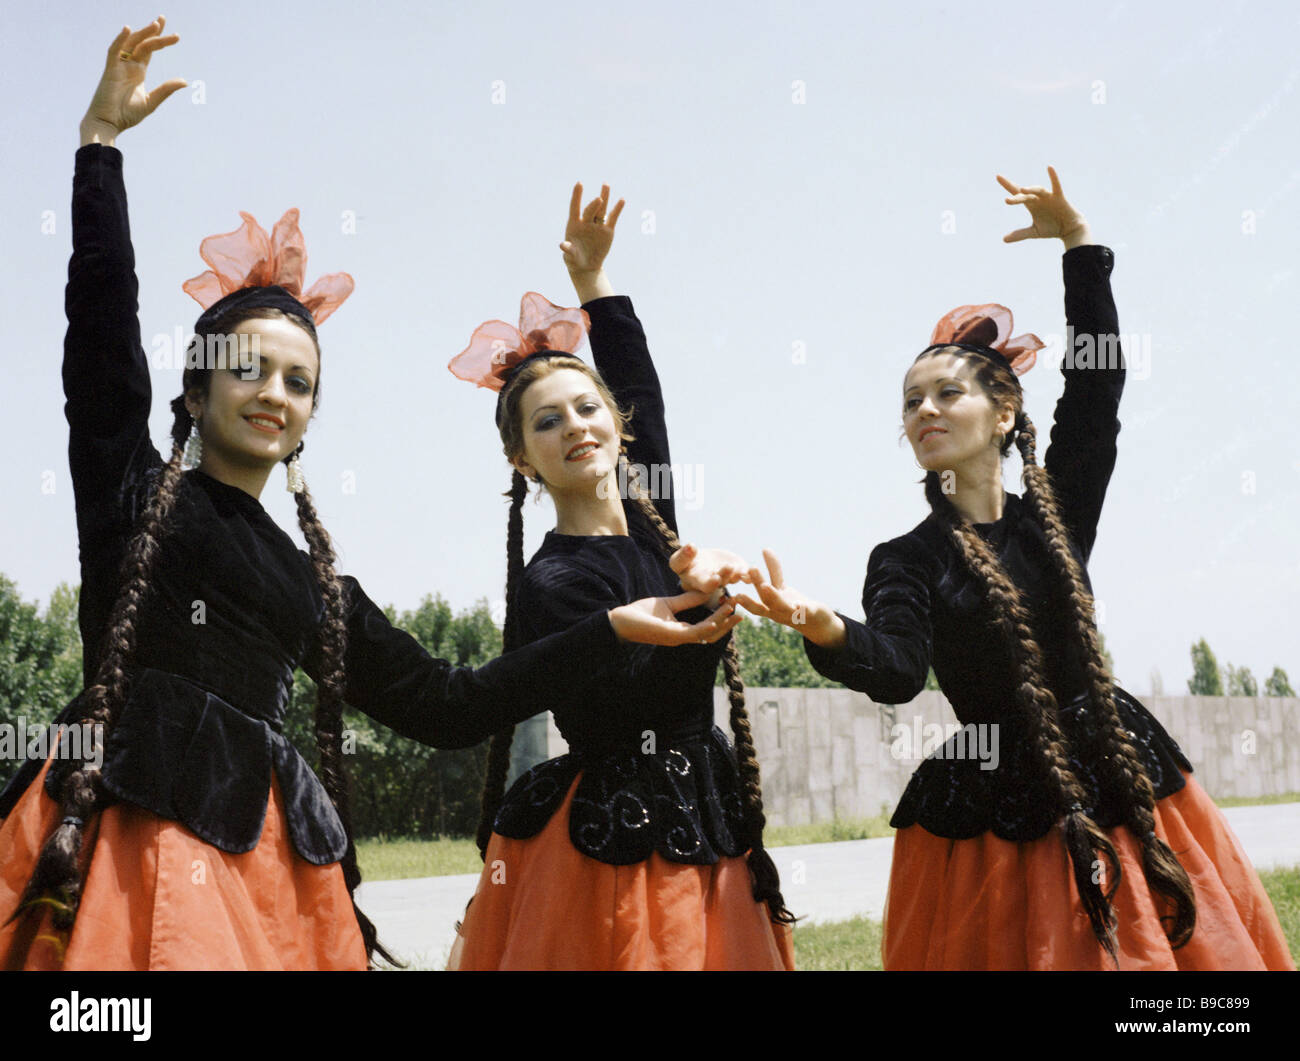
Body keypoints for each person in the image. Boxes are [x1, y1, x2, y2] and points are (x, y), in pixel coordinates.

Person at [0, 19, 741, 973]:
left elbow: (446, 702)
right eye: (250, 370)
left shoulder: (307, 577)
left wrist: (612, 631)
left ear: (310, 417)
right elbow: (98, 335)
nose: (274, 392)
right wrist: (98, 147)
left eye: (298, 381)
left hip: (262, 861)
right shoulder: (135, 493)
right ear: (195, 390)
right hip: (124, 844)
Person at [732, 167, 1295, 970]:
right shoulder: (905, 558)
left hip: (1114, 776)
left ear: (1003, 413)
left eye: (944, 394)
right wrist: (819, 627)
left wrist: (1079, 245)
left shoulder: (1055, 512)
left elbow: (1097, 389)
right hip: (989, 807)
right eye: (910, 401)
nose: (923, 410)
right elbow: (895, 671)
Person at [445, 183, 796, 969]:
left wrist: (595, 287)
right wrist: (701, 596)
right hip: (614, 835)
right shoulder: (552, 580)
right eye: (547, 420)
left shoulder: (653, 519)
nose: (575, 425)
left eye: (587, 408)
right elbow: (635, 680)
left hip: (706, 814)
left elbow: (642, 388)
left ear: (616, 424)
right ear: (519, 458)